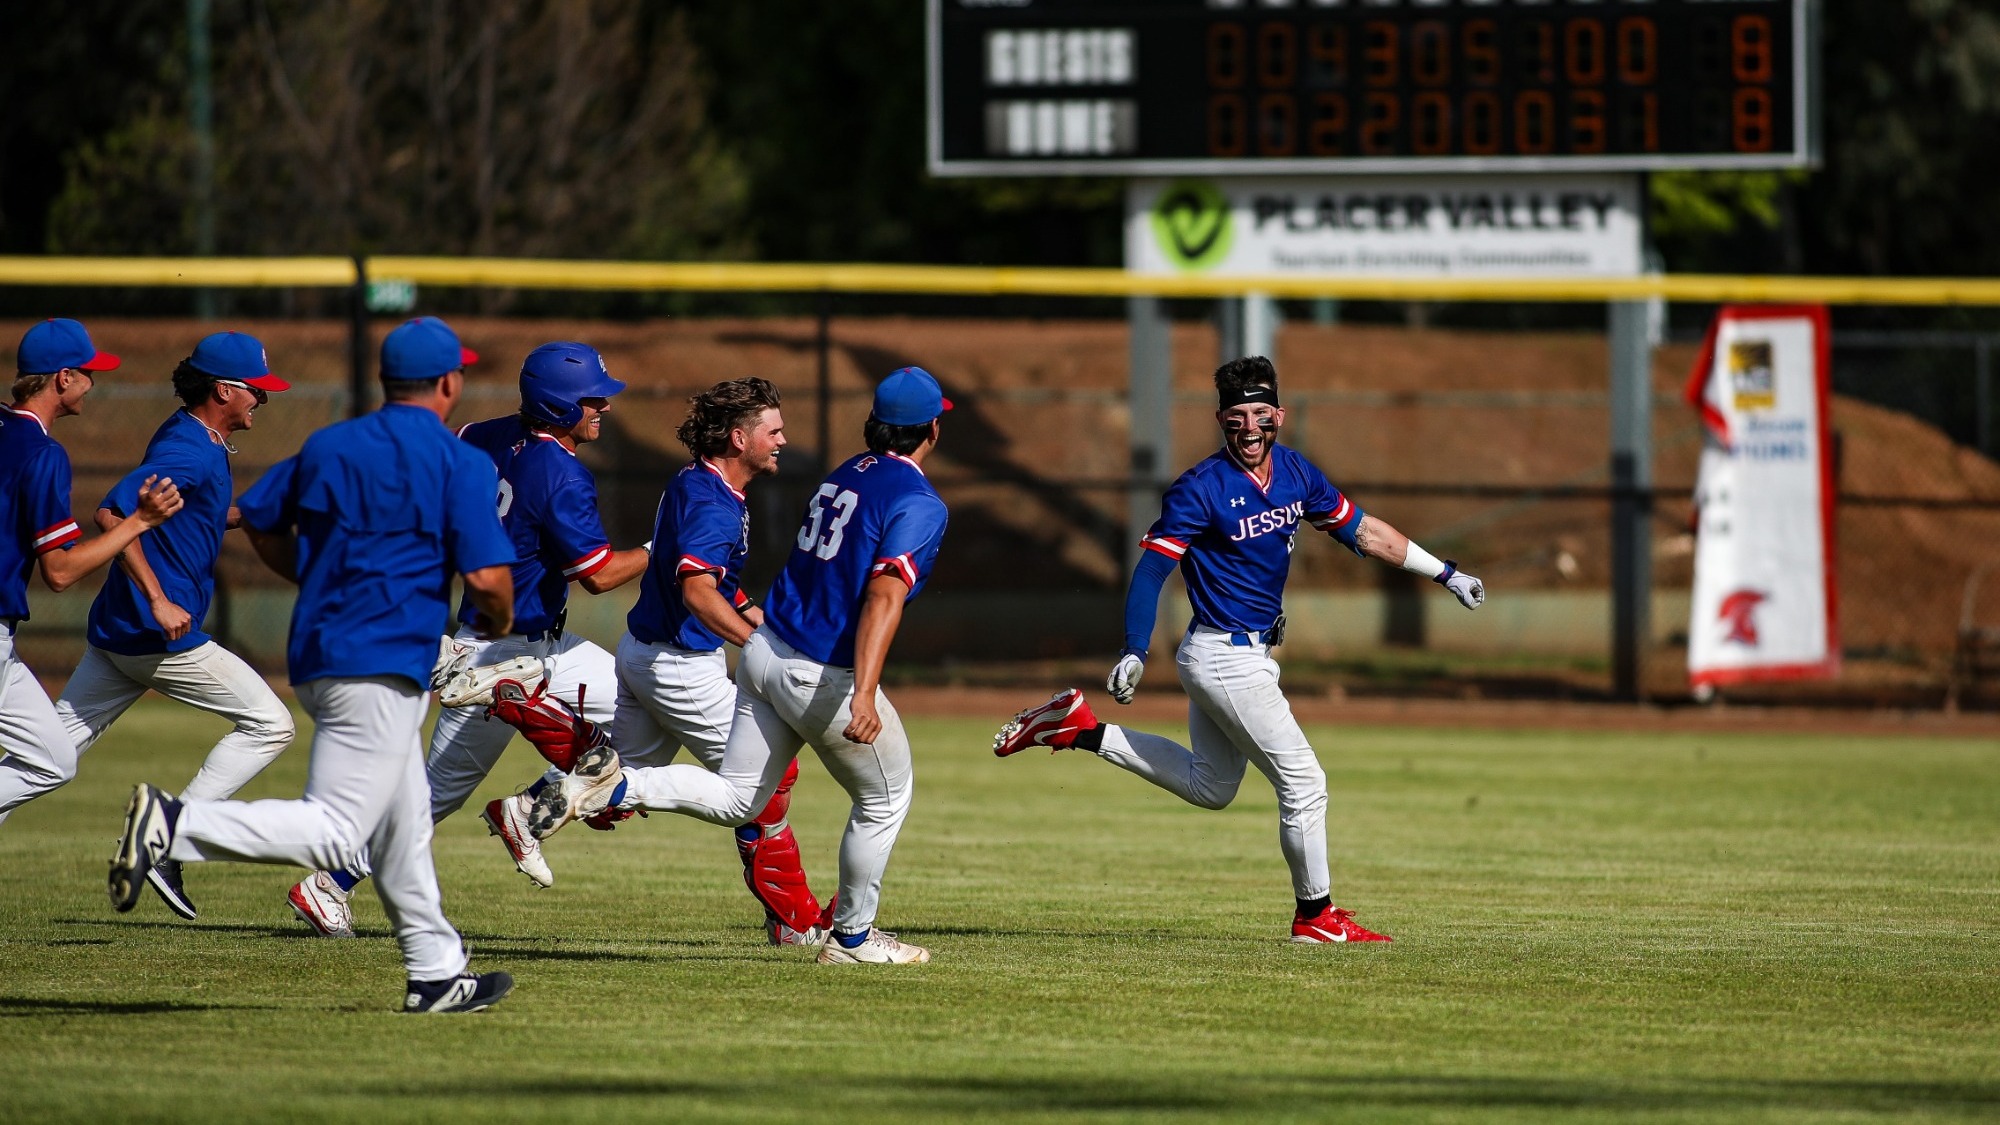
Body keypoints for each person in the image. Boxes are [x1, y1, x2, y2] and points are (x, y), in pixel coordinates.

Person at [993, 355, 1486, 945]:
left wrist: (1445, 573)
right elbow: (1151, 573)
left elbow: (1364, 531)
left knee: (1212, 787)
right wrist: (1133, 648)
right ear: (1220, 419)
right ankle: (1316, 916)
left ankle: (1079, 729)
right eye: (1236, 417)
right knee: (1304, 783)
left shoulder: (1298, 473)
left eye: (1260, 413)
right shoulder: (1200, 488)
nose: (1249, 428)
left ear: (1279, 414)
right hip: (1223, 654)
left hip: (1244, 655)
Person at [108, 315, 519, 1013]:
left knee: (405, 821)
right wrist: (497, 623)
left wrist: (314, 571)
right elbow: (486, 581)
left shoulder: (332, 443)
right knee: (336, 828)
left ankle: (435, 972)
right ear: (449, 383)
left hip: (322, 653)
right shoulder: (460, 461)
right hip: (382, 661)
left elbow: (262, 518)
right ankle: (175, 825)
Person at [523, 367, 951, 965]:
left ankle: (616, 783)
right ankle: (852, 938)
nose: (779, 440)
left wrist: (760, 635)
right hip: (815, 668)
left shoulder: (842, 476)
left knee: (741, 798)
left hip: (763, 655)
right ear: (932, 428)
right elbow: (884, 595)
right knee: (883, 799)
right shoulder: (919, 499)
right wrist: (864, 692)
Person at [285, 341, 646, 935]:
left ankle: (529, 811)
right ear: (558, 404)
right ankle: (327, 884)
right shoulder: (561, 473)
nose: (604, 406)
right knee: (435, 794)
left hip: (545, 645)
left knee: (639, 697)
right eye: (593, 398)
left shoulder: (481, 434)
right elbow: (600, 575)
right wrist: (661, 551)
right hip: (498, 652)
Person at [495, 377, 832, 946]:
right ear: (738, 437)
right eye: (773, 431)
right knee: (770, 782)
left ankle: (525, 811)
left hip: (645, 655)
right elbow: (699, 591)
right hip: (680, 666)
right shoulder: (713, 503)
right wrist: (758, 648)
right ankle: (794, 923)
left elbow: (723, 587)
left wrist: (769, 629)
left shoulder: (697, 481)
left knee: (607, 792)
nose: (782, 440)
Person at [27, 333, 295, 921]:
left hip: (116, 636)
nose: (262, 402)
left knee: (47, 756)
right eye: (257, 392)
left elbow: (184, 514)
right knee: (271, 724)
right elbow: (114, 513)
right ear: (224, 390)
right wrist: (158, 599)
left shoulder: (195, 438)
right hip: (159, 637)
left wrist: (249, 515)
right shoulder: (191, 450)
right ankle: (168, 839)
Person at [2, 319, 184, 835]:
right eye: (87, 373)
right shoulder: (43, 453)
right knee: (50, 762)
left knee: (54, 759)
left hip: (5, 645)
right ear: (62, 379)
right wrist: (140, 522)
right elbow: (59, 572)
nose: (92, 382)